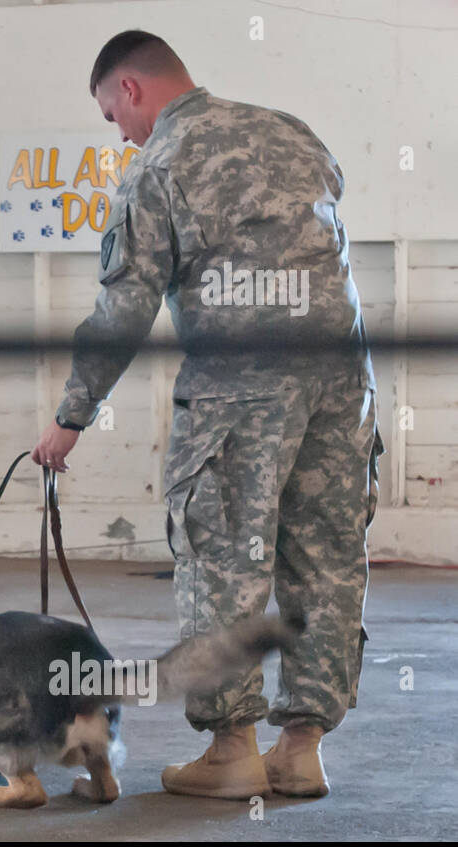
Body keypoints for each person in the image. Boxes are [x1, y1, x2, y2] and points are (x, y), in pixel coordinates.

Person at [30, 31, 383, 799]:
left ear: (131, 89)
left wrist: (70, 416)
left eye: (110, 114)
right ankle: (301, 748)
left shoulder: (159, 165)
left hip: (241, 388)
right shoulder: (293, 133)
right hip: (341, 377)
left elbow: (124, 307)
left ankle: (231, 750)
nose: (117, 132)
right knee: (324, 559)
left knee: (223, 559)